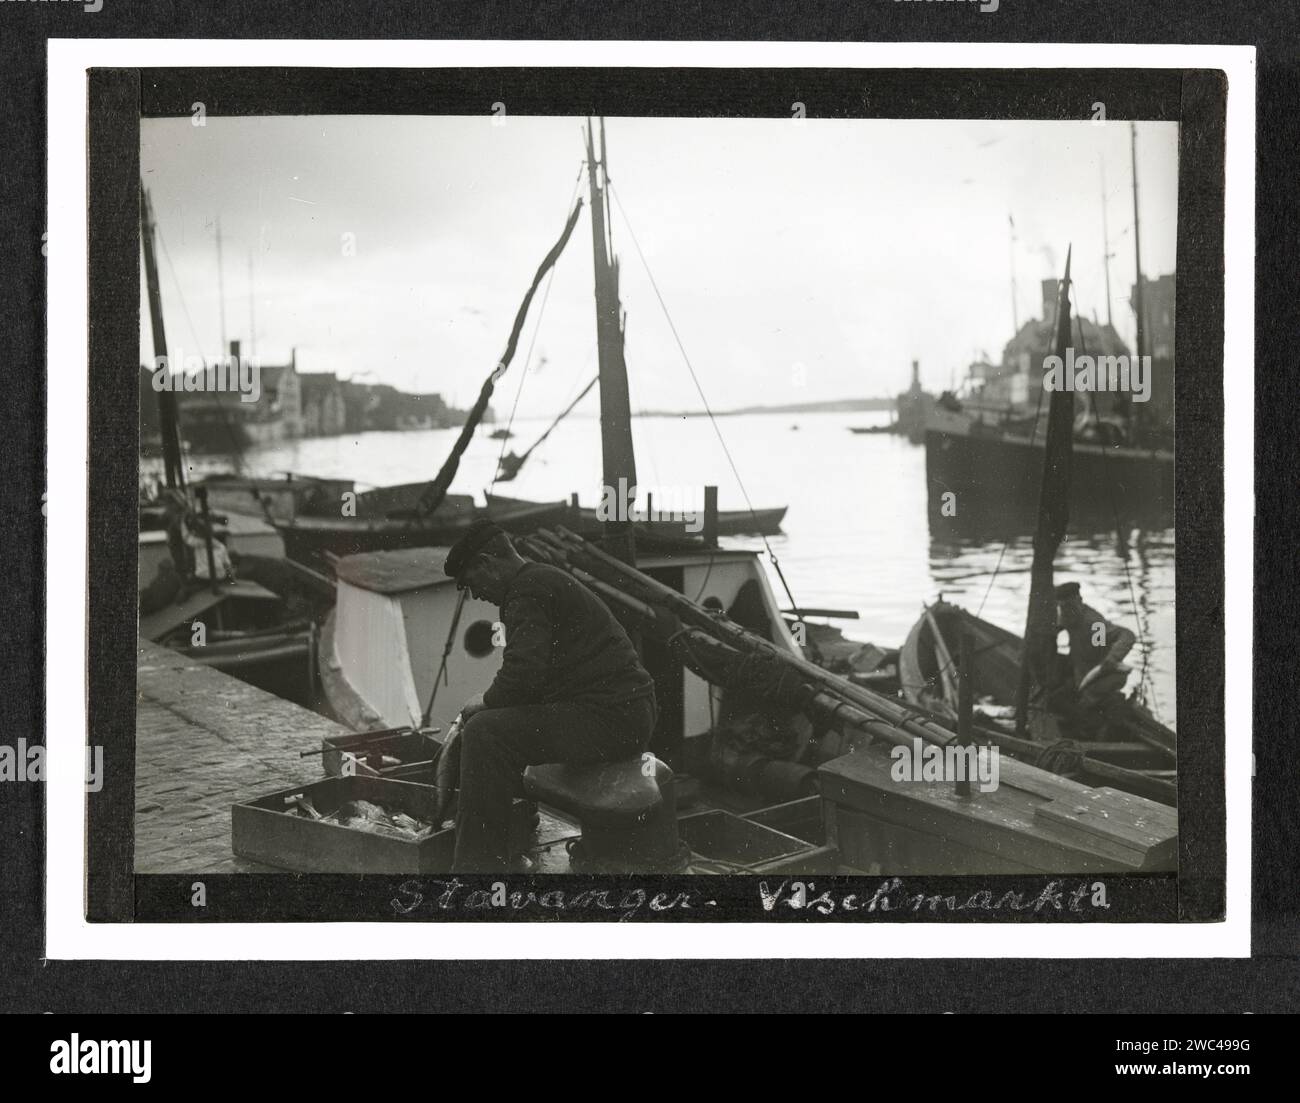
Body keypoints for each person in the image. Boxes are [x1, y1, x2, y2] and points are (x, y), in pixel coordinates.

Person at [441, 519, 658, 872]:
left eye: (470, 583)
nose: (475, 595)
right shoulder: (540, 580)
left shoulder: (526, 590)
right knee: (502, 726)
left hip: (612, 718)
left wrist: (481, 702)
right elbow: (534, 681)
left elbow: (522, 678)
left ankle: (475, 873)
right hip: (626, 713)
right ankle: (513, 837)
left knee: (484, 732)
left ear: (486, 563)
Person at [1053, 582, 1136, 705]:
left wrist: (1112, 659)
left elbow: (1127, 636)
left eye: (1070, 606)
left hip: (1100, 677)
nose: (1066, 611)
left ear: (1079, 600)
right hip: (1081, 672)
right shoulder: (1067, 617)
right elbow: (1057, 626)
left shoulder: (1094, 624)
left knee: (1080, 708)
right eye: (1062, 607)